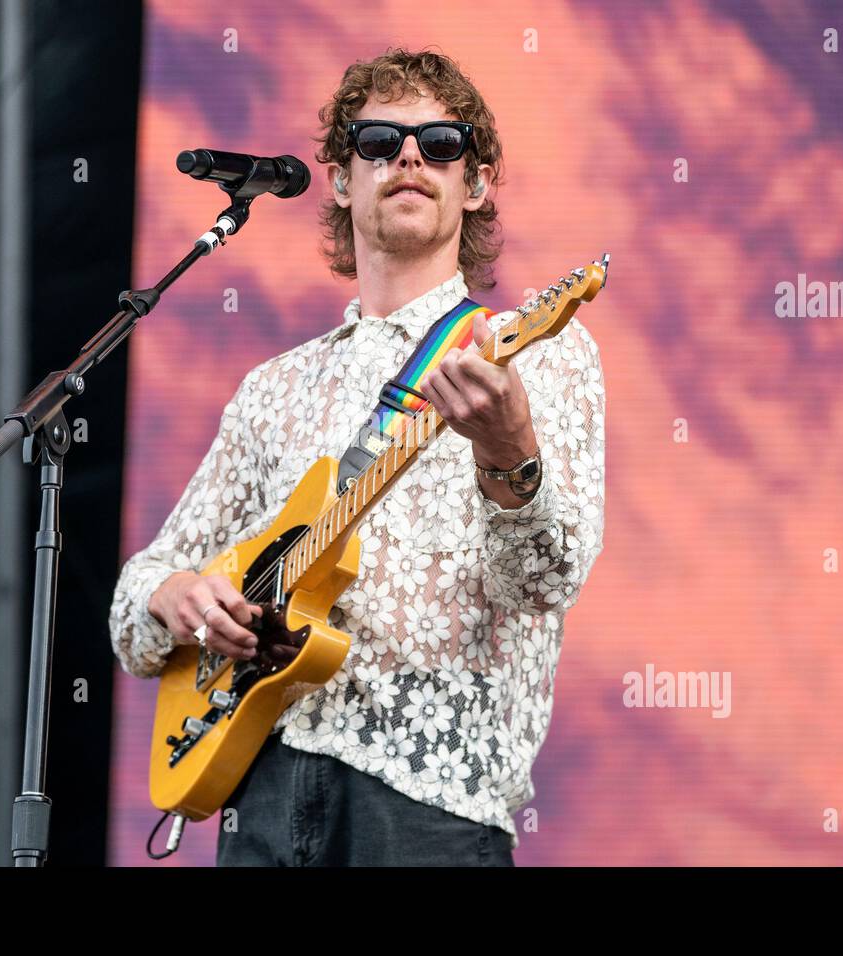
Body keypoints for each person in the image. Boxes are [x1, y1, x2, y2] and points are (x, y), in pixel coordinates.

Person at [110, 47, 606, 866]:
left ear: (476, 184)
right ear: (342, 179)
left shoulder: (539, 355)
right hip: (259, 795)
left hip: (429, 808)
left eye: (440, 144)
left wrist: (507, 452)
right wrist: (177, 597)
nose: (409, 158)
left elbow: (544, 584)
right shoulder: (275, 388)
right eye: (379, 142)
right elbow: (140, 593)